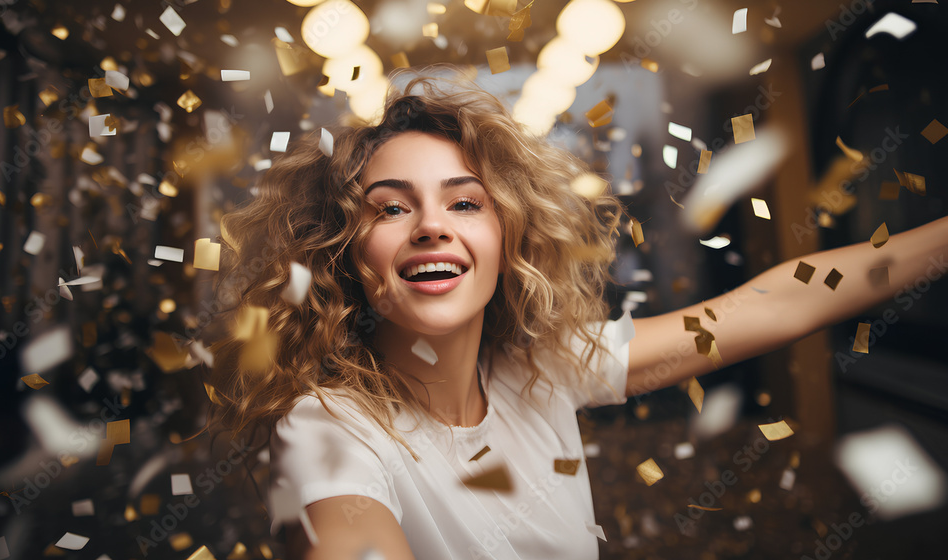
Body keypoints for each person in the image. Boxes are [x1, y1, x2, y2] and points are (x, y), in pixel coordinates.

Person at [206, 72, 948, 560]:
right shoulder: (327, 426)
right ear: (343, 255)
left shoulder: (543, 367)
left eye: (465, 203)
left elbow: (781, 300)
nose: (431, 226)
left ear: (508, 240)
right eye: (391, 209)